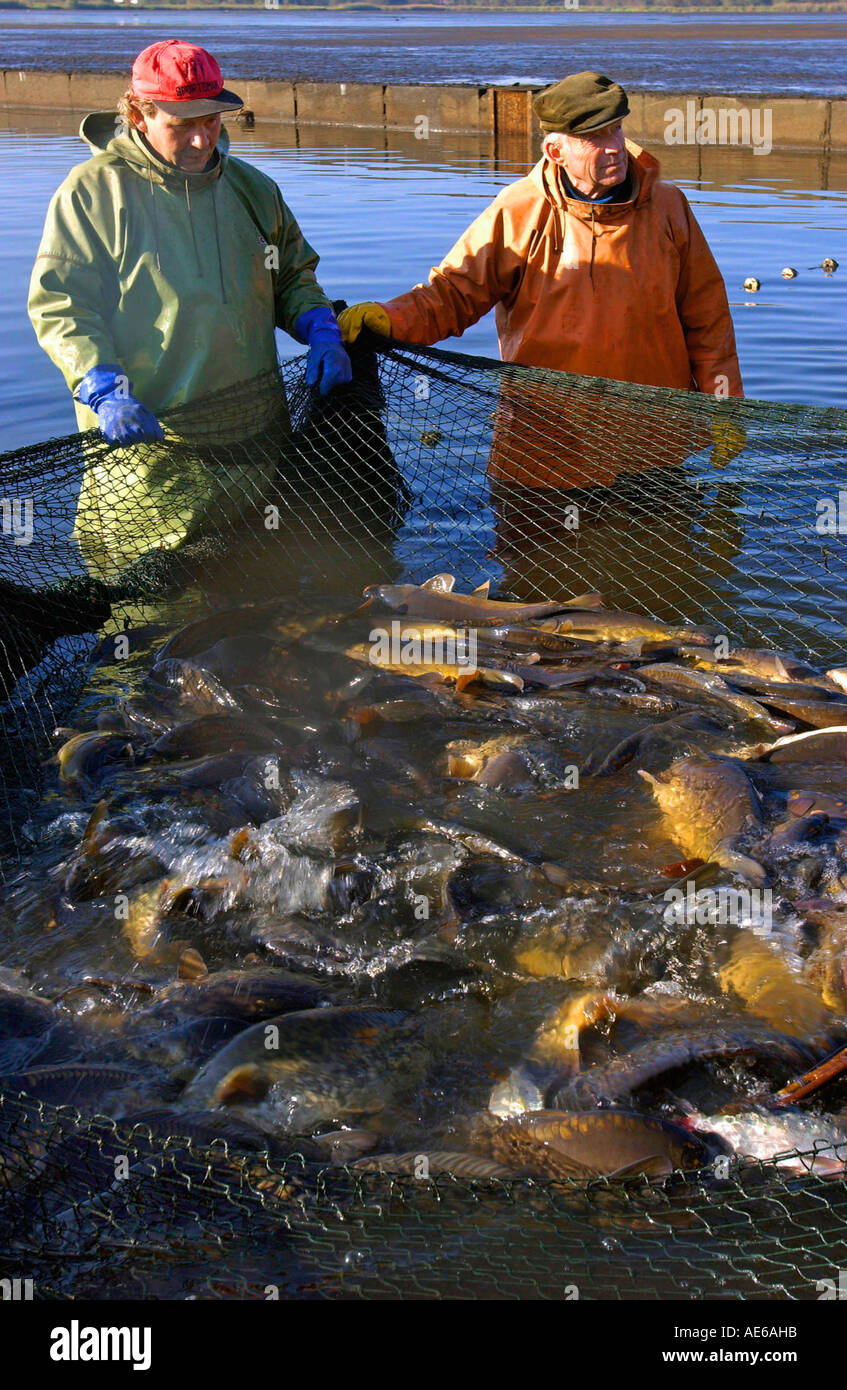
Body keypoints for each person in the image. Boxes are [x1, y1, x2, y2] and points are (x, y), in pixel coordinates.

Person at [28, 39, 351, 579]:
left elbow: (293, 275)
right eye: (182, 124)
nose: (202, 138)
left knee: (256, 605)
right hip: (150, 464)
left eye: (213, 120)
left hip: (255, 450)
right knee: (149, 625)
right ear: (138, 112)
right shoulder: (92, 194)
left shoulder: (252, 189)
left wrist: (318, 328)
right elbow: (63, 307)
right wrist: (103, 389)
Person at [339, 71, 745, 497]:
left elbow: (708, 317)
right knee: (535, 561)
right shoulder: (519, 209)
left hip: (652, 447)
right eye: (595, 137)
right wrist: (388, 319)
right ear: (556, 150)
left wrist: (725, 406)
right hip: (545, 452)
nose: (615, 147)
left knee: (655, 558)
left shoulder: (668, 206)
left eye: (617, 129)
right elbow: (453, 295)